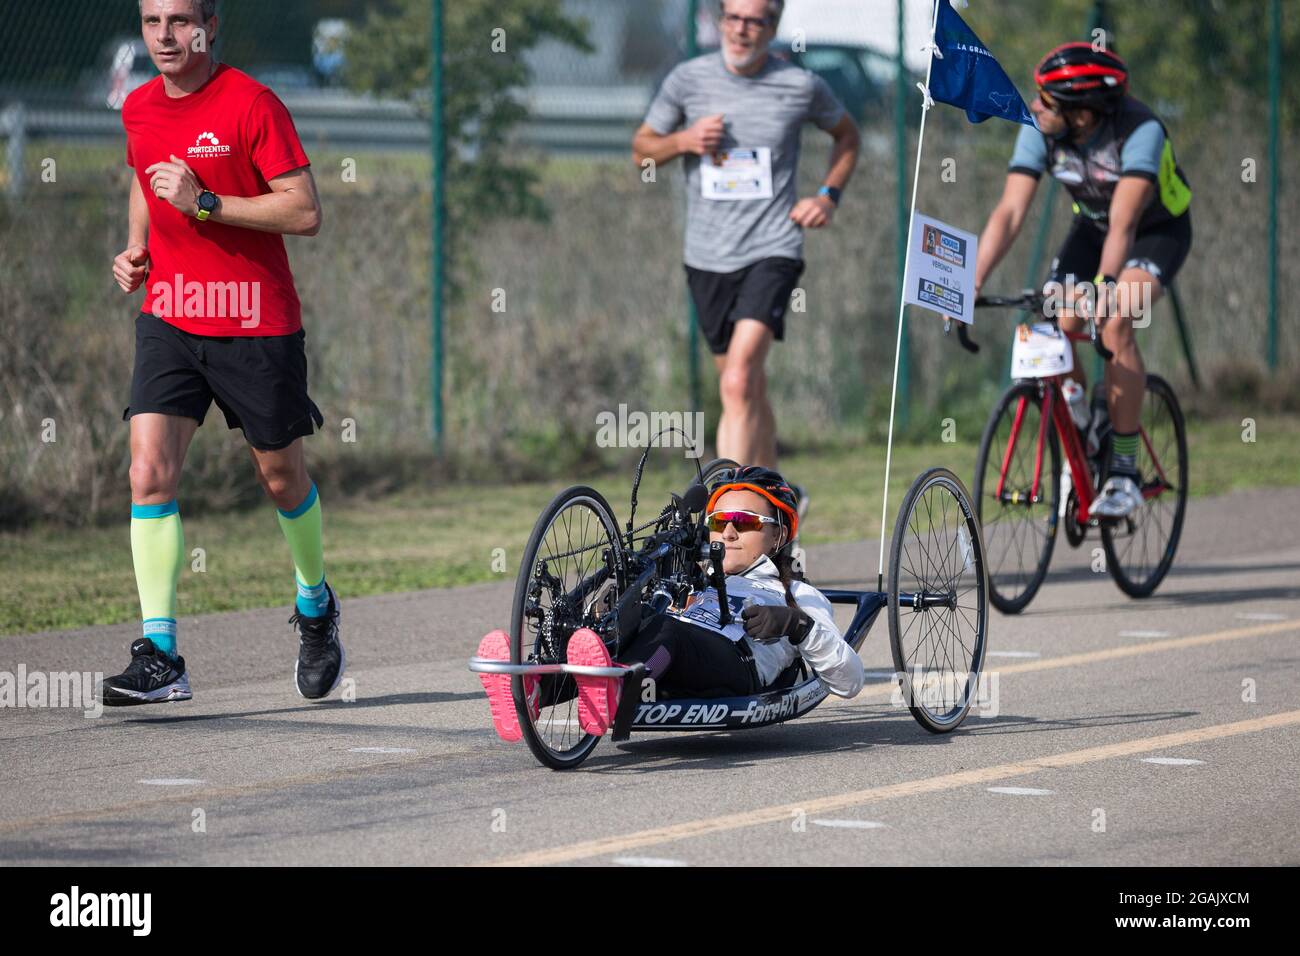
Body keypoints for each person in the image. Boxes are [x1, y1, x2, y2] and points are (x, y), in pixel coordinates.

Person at [100, 0, 341, 705]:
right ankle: (161, 657)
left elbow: (303, 210)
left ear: (209, 25)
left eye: (179, 21)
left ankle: (315, 606)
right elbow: (143, 180)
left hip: (253, 320)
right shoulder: (139, 108)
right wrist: (137, 249)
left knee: (280, 479)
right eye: (151, 22)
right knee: (147, 471)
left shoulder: (251, 103)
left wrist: (206, 203)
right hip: (170, 316)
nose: (165, 36)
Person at [631, 0, 860, 483]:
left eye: (754, 20)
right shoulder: (687, 80)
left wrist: (827, 196)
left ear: (773, 26)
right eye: (732, 18)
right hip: (707, 255)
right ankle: (779, 503)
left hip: (773, 248)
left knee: (736, 382)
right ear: (720, 21)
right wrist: (685, 141)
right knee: (743, 386)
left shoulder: (799, 86)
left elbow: (847, 137)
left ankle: (730, 518)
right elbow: (641, 149)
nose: (740, 30)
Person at [474, 466, 865, 741]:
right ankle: (530, 692)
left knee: (670, 631)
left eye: (744, 522)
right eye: (718, 521)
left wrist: (795, 625)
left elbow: (849, 681)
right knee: (622, 623)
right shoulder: (692, 574)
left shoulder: (797, 595)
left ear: (778, 536)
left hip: (733, 665)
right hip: (664, 663)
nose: (728, 531)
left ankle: (617, 684)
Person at [974, 43, 1192, 519]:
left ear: (1083, 114)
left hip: (1154, 233)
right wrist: (973, 279)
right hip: (1091, 230)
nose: (1034, 106)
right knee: (1052, 323)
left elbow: (1124, 225)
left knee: (1114, 323)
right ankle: (1081, 424)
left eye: (1046, 101)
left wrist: (1107, 287)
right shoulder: (1040, 131)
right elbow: (1010, 212)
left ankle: (1125, 471)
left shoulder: (1141, 131)